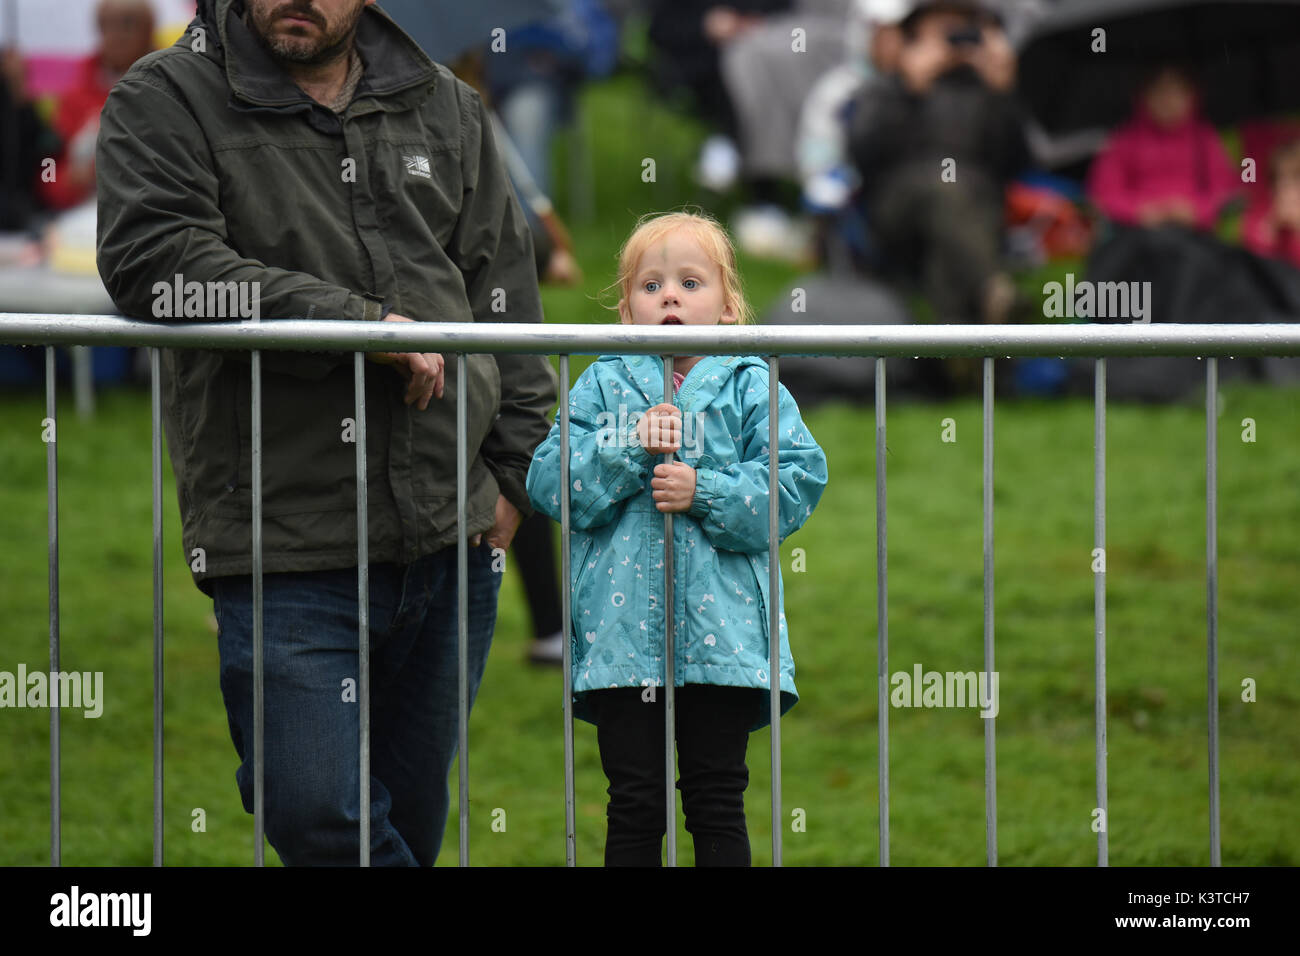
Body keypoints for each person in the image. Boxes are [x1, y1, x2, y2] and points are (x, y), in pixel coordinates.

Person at [95, 0, 557, 865]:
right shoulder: (168, 96)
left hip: (454, 541)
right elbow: (157, 265)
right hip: (285, 546)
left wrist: (515, 480)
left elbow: (508, 300)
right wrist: (360, 329)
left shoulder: (447, 105)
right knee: (322, 822)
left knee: (409, 827)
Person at [525, 210, 829, 865]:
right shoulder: (601, 384)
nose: (669, 296)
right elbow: (551, 482)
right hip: (621, 638)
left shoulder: (751, 385)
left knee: (717, 798)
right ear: (626, 311)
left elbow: (797, 480)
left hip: (723, 638)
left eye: (691, 283)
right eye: (650, 284)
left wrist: (706, 492)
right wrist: (628, 446)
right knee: (633, 802)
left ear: (727, 307)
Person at [846, 0, 1029, 328]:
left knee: (948, 248)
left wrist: (1003, 92)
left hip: (973, 215)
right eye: (945, 28)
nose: (956, 36)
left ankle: (961, 360)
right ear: (918, 31)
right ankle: (991, 288)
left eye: (964, 27)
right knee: (946, 187)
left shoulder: (985, 90)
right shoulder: (889, 85)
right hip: (897, 212)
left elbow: (1016, 163)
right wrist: (912, 88)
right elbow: (864, 154)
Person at [40, 0, 157, 211]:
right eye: (107, 24)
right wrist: (66, 181)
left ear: (148, 31)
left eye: (128, 24)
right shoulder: (76, 91)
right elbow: (46, 168)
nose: (117, 34)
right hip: (82, 216)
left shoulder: (169, 85)